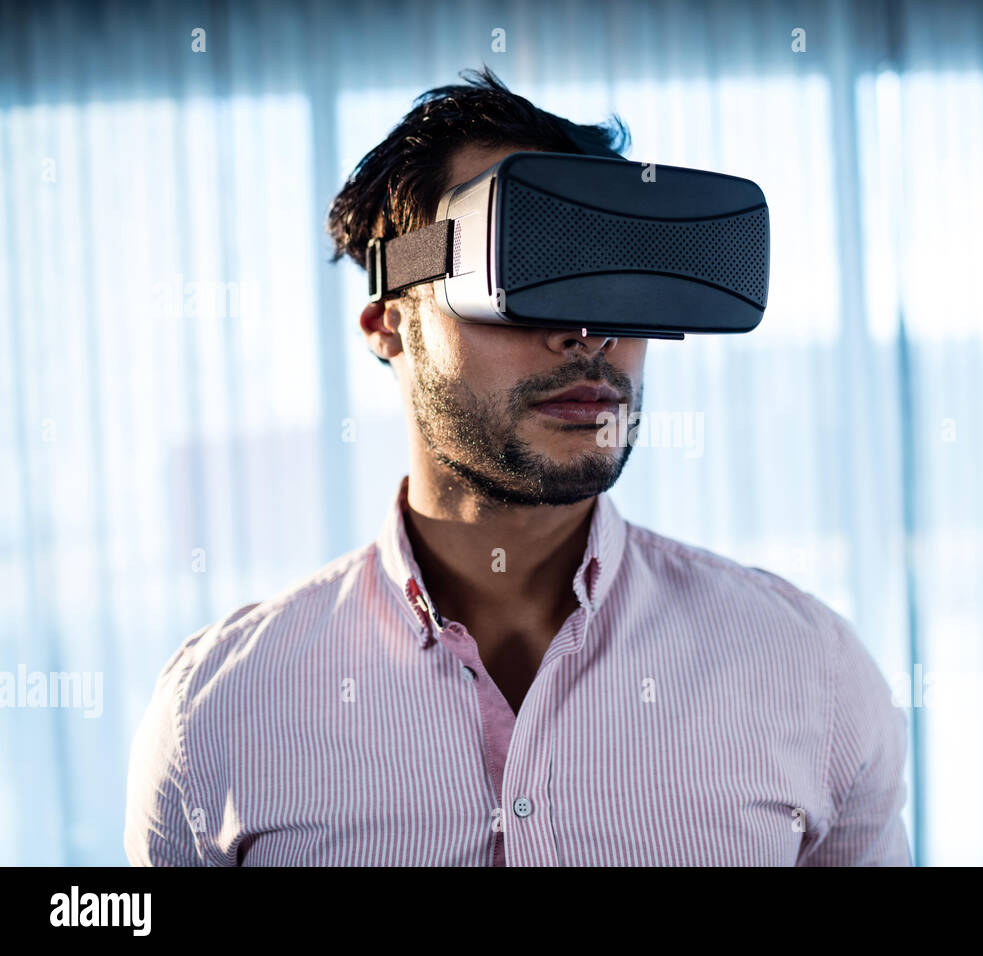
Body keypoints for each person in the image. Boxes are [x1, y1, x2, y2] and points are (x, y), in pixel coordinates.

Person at [124, 67, 910, 866]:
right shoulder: (218, 713)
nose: (587, 332)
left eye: (616, 279)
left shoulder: (811, 674)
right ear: (389, 322)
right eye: (524, 269)